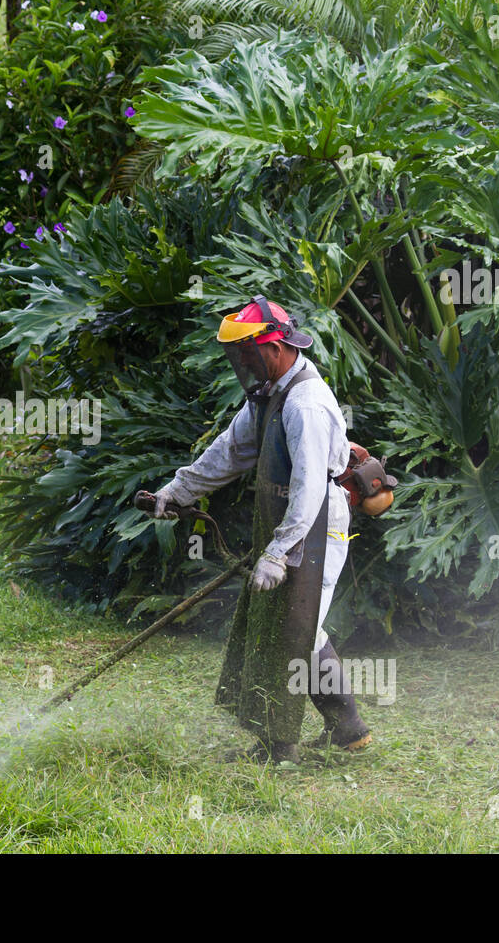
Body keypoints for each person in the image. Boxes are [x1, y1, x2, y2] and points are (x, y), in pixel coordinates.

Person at [154, 297, 371, 763]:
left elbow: (310, 485)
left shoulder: (306, 405)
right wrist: (177, 492)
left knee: (296, 628)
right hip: (288, 525)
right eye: (239, 357)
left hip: (314, 525)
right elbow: (231, 450)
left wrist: (279, 551)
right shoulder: (272, 394)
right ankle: (343, 728)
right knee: (288, 627)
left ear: (273, 347)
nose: (244, 364)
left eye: (248, 354)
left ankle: (285, 747)